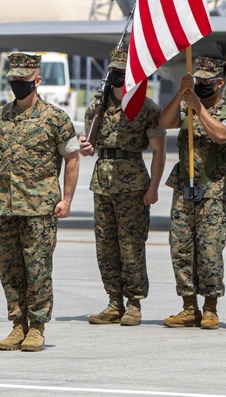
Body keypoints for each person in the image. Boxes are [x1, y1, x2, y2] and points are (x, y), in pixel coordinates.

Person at [0, 52, 80, 352]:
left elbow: (72, 158)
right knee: (8, 268)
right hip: (5, 208)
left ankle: (37, 327)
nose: (17, 84)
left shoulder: (55, 118)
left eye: (22, 79)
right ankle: (18, 325)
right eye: (13, 79)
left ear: (37, 80)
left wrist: (67, 199)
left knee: (37, 269)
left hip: (40, 208)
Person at [78, 48, 166, 326]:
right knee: (105, 247)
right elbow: (89, 147)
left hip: (133, 185)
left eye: (122, 73)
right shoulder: (97, 108)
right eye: (114, 72)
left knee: (131, 246)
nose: (117, 77)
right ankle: (113, 301)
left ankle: (134, 303)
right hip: (102, 183)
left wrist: (153, 187)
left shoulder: (147, 108)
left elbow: (159, 151)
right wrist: (84, 146)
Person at [157, 56, 226, 330]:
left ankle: (210, 307)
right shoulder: (186, 105)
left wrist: (199, 109)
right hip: (184, 188)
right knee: (181, 248)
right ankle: (189, 306)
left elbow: (222, 135)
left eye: (207, 81)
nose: (202, 85)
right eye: (199, 80)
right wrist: (182, 92)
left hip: (212, 189)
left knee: (210, 250)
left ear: (220, 83)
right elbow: (164, 121)